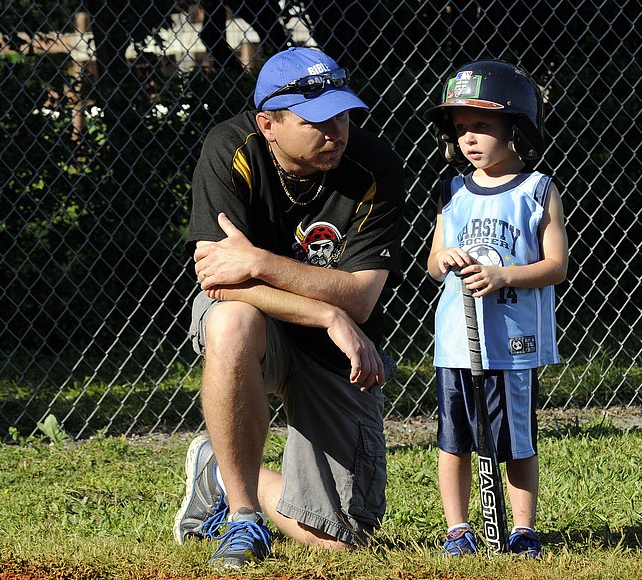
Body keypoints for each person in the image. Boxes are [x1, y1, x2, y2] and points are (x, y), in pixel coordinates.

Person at [173, 46, 405, 569]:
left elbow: (361, 296)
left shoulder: (376, 166)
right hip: (268, 324)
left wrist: (257, 261)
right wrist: (327, 312)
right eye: (315, 120)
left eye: (342, 115)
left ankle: (224, 469)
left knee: (337, 540)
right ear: (269, 125)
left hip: (333, 351)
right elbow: (217, 280)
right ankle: (243, 516)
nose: (335, 132)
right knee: (231, 322)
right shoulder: (231, 148)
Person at [423, 60, 568, 557]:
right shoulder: (451, 192)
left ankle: (523, 528)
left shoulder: (537, 190)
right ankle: (458, 529)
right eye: (461, 127)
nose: (469, 138)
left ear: (515, 127)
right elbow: (432, 263)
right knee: (454, 440)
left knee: (516, 441)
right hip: (458, 343)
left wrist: (504, 276)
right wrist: (444, 257)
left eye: (482, 125)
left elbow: (556, 266)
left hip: (511, 344)